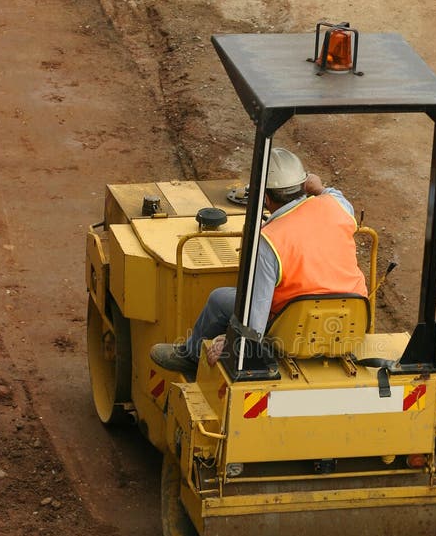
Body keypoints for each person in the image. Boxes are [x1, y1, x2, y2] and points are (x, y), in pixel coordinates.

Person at [150, 147, 367, 373]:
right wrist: (319, 188)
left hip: (295, 330)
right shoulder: (337, 207)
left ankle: (191, 355)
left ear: (264, 197)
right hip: (352, 321)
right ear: (304, 186)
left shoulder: (268, 241)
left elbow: (257, 313)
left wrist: (232, 340)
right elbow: (335, 196)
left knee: (218, 298)